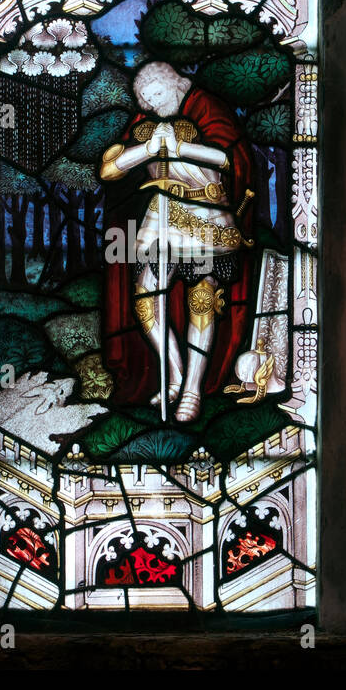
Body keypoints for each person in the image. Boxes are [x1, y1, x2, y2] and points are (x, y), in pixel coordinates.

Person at [99, 62, 255, 423]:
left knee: (202, 298)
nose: (153, 106)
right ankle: (175, 373)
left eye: (157, 96)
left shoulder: (208, 111)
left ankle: (192, 391)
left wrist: (182, 147)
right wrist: (150, 147)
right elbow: (110, 169)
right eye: (147, 101)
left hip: (205, 216)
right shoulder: (146, 125)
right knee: (146, 299)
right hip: (160, 219)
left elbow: (228, 157)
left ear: (174, 85)